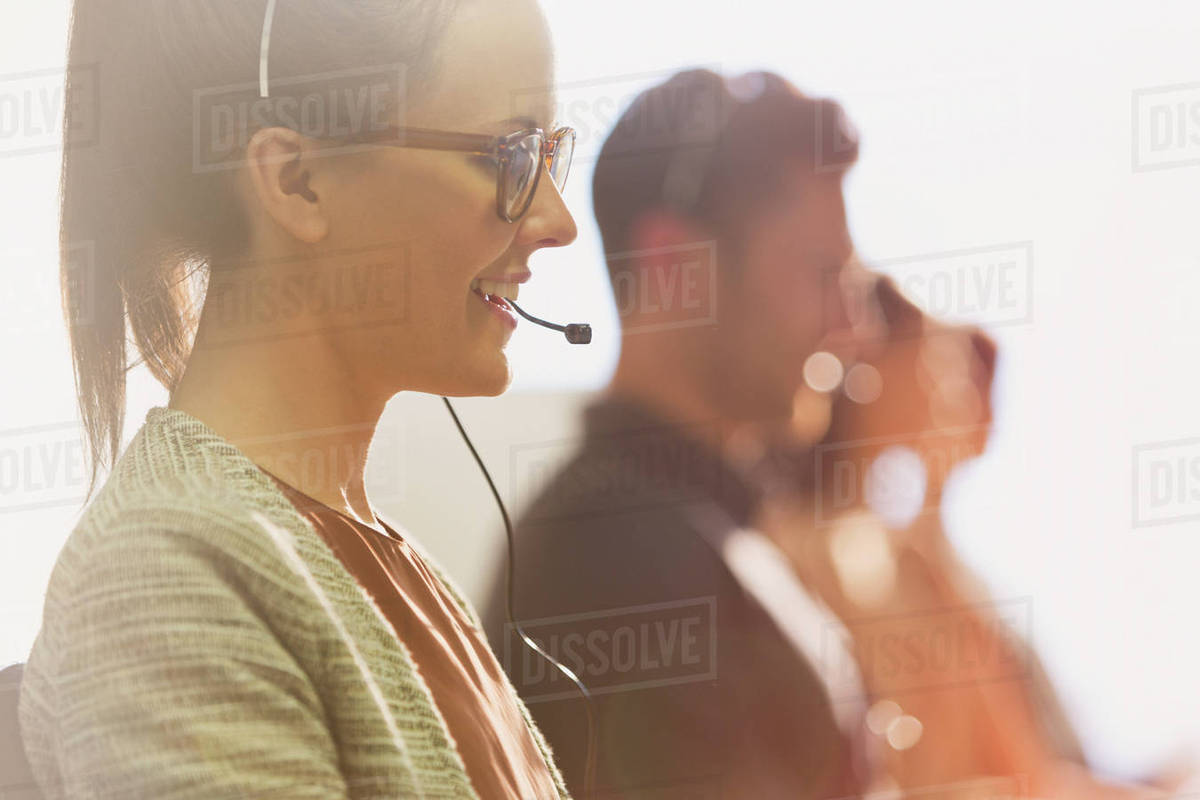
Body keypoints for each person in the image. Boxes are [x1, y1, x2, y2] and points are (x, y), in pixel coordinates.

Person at [19, 1, 580, 797]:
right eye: (512, 157)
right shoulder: (169, 581)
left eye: (551, 153)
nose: (558, 223)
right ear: (298, 182)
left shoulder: (374, 553)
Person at [483, 69, 869, 799]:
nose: (851, 328)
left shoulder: (695, 526)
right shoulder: (606, 557)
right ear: (673, 264)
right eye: (823, 274)